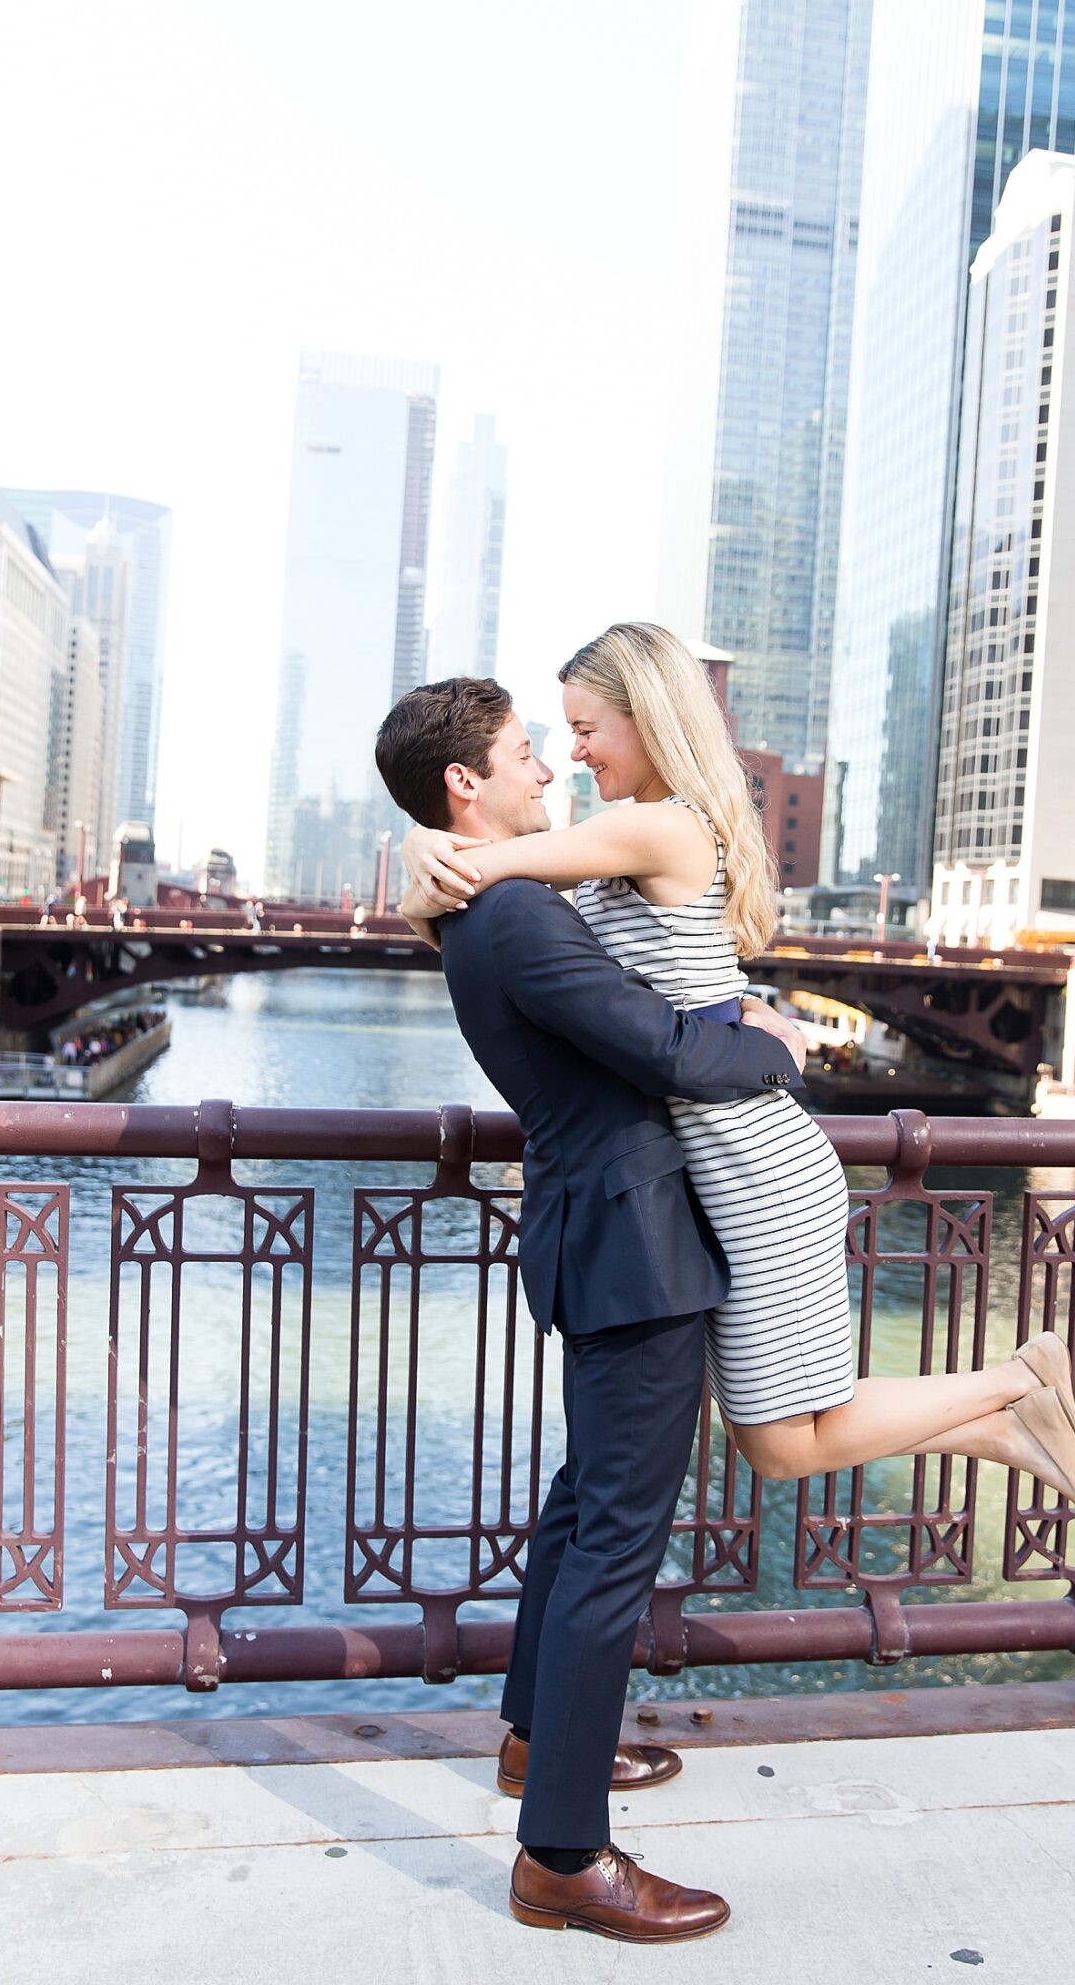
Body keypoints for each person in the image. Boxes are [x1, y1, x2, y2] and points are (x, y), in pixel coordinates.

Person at [398, 626, 1075, 1537]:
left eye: (586, 728)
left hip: (753, 1167)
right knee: (776, 1447)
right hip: (725, 1163)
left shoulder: (654, 825)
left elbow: (480, 870)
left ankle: (1016, 1382)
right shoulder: (630, 835)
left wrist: (422, 848)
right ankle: (1010, 1426)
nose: (571, 752)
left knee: (784, 1442)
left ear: (645, 716)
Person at [376, 676, 802, 1944]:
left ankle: (530, 1743)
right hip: (634, 1240)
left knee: (582, 1513)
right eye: (521, 754)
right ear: (467, 783)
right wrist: (779, 1044)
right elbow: (662, 1050)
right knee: (619, 1538)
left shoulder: (488, 897)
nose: (544, 769)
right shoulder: (510, 913)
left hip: (598, 1224)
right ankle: (562, 1851)